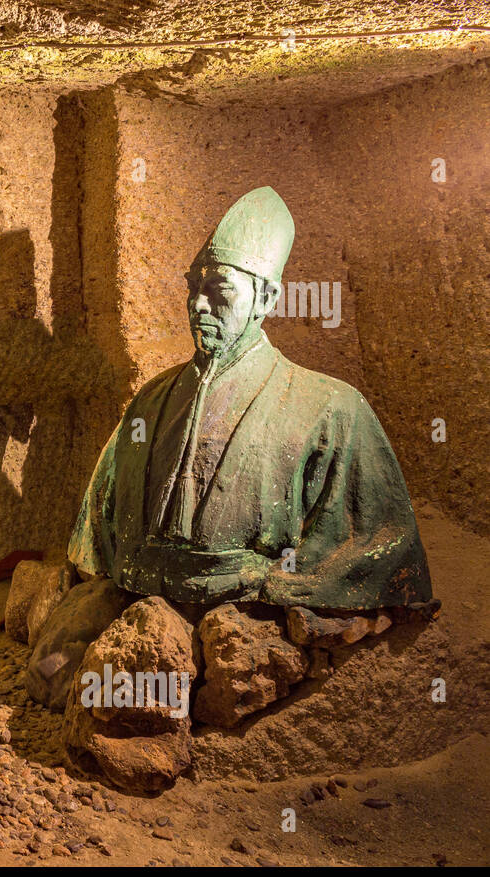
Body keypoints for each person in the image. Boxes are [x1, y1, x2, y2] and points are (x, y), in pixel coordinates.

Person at [68, 187, 432, 610]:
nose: (198, 305)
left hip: (244, 617)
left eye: (220, 291)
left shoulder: (333, 408)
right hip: (140, 601)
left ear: (266, 299)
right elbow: (99, 532)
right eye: (193, 288)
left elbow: (384, 542)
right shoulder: (150, 401)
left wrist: (282, 583)